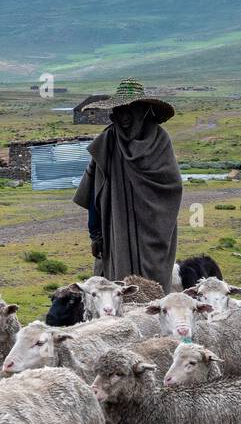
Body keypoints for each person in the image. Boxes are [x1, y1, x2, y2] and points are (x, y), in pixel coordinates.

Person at [73, 79, 182, 293]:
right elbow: (94, 192)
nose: (123, 116)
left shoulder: (160, 141)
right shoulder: (106, 142)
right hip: (116, 233)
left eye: (130, 110)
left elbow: (171, 187)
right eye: (119, 110)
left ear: (143, 110)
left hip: (153, 235)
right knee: (116, 292)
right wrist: (95, 235)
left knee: (153, 292)